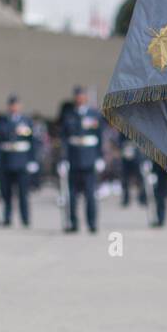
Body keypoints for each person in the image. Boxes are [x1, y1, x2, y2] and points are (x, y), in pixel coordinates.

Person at [60, 85, 105, 233]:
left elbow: (99, 137)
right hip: (73, 159)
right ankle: (73, 223)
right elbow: (65, 139)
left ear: (85, 97)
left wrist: (100, 157)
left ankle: (91, 223)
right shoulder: (69, 115)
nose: (79, 98)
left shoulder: (94, 115)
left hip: (89, 158)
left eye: (81, 95)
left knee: (90, 194)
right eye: (77, 95)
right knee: (71, 195)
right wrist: (63, 159)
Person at [0, 94, 34, 227]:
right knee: (6, 192)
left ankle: (25, 219)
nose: (14, 107)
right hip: (7, 161)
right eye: (12, 105)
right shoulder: (3, 121)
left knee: (23, 193)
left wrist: (32, 160)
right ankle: (7, 217)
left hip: (22, 161)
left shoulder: (26, 121)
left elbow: (32, 142)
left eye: (16, 104)